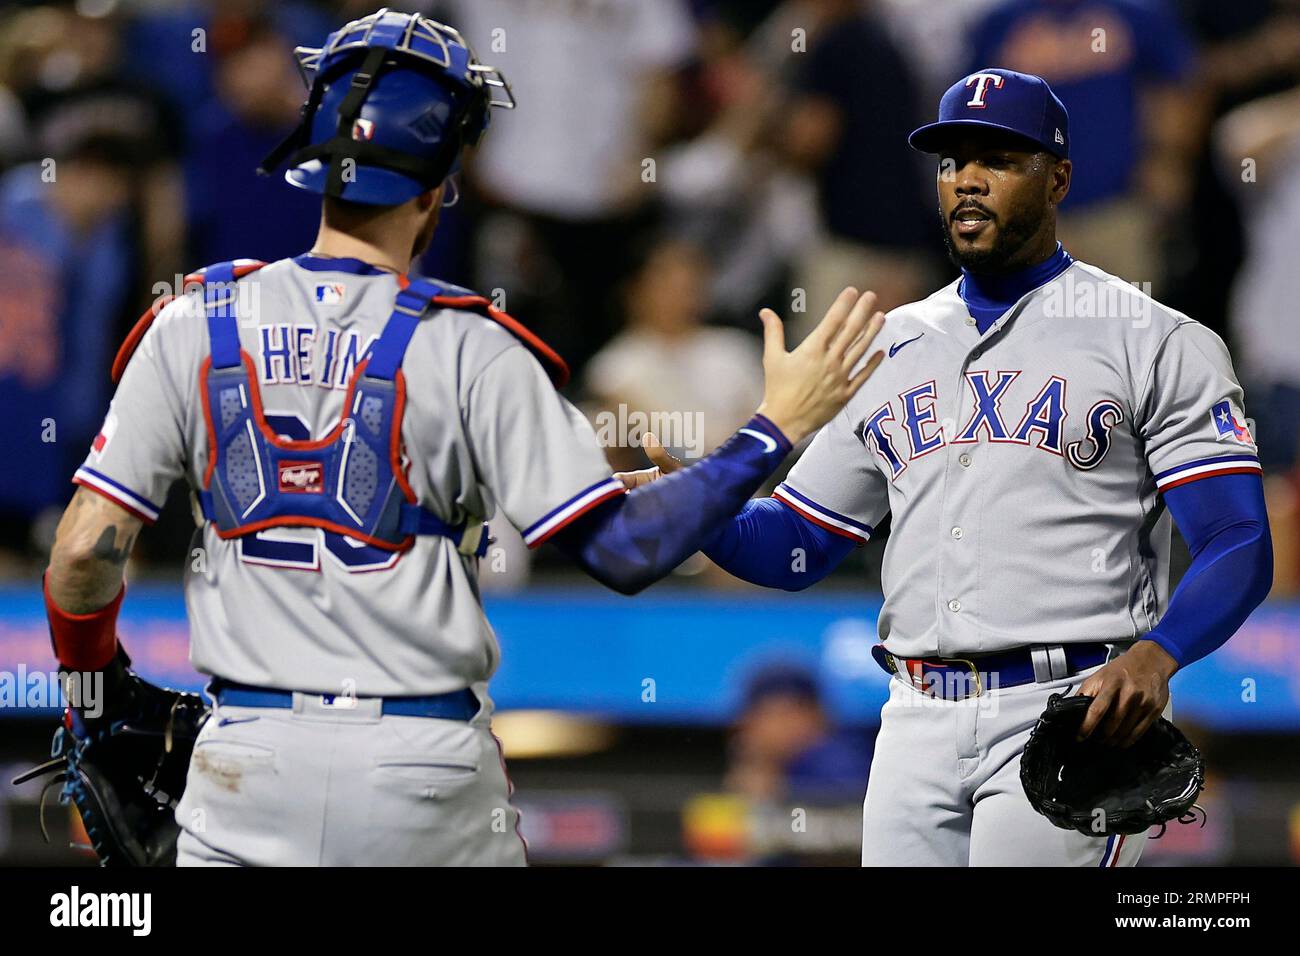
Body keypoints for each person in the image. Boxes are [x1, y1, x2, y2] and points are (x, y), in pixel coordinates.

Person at [39, 10, 887, 867]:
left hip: (247, 764)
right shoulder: (473, 346)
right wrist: (773, 429)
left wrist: (92, 693)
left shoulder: (192, 317)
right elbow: (625, 553)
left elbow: (80, 554)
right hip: (422, 773)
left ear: (313, 160)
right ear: (440, 183)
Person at [622, 69, 1273, 866]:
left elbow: (1239, 539)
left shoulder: (1154, 338)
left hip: (1070, 711)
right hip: (913, 719)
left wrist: (1159, 653)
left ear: (1057, 177)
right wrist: (692, 505)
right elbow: (795, 544)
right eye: (951, 160)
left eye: (998, 158)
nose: (966, 177)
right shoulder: (889, 344)